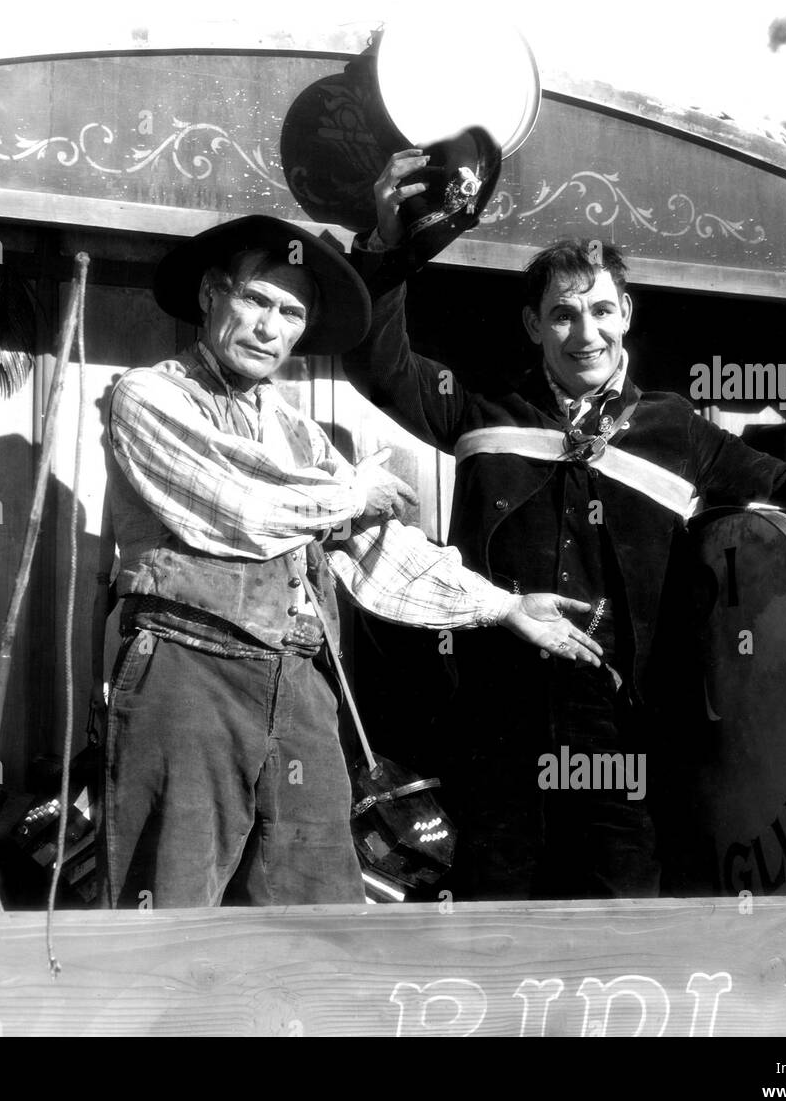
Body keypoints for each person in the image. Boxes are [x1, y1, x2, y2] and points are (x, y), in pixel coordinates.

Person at [341, 149, 786, 900]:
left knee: (624, 929)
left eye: (601, 310)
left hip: (621, 736)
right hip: (496, 727)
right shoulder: (480, 406)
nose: (584, 332)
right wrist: (386, 252)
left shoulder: (674, 429)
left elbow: (776, 479)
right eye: (562, 313)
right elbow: (380, 362)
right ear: (532, 324)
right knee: (495, 928)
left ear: (627, 315)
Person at [98, 214, 602, 909]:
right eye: (256, 300)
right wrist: (353, 491)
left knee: (317, 901)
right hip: (188, 673)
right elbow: (244, 507)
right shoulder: (147, 396)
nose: (271, 327)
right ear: (213, 294)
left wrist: (503, 605)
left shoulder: (296, 429)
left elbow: (379, 545)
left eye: (292, 311)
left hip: (296, 679)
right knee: (171, 897)